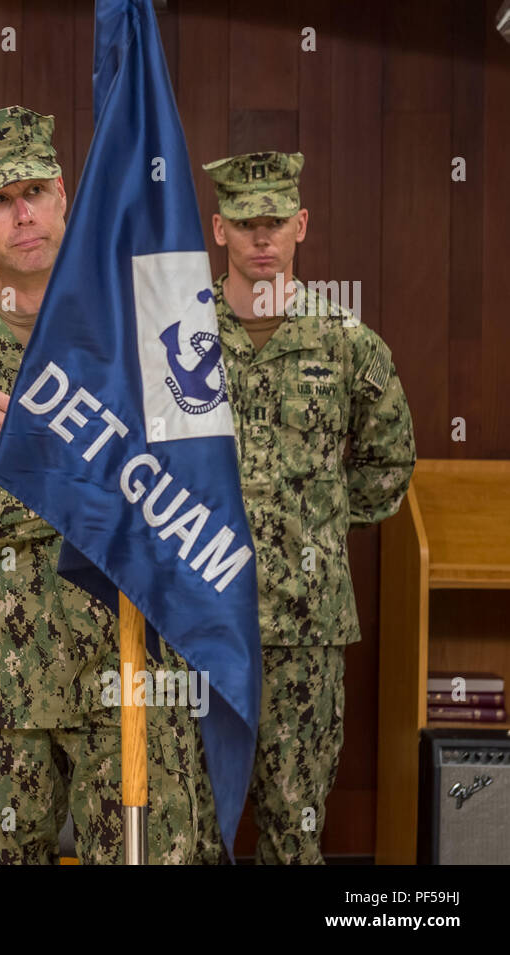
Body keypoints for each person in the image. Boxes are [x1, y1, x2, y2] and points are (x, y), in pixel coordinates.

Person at [0, 106, 201, 864]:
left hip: (132, 667)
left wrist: (28, 456)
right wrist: (86, 467)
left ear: (64, 193)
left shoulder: (150, 327)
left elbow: (193, 484)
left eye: (33, 189)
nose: (21, 213)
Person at [192, 152, 416, 864]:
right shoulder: (178, 339)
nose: (264, 238)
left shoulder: (346, 343)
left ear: (302, 225)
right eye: (248, 222)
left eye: (277, 221)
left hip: (304, 627)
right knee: (193, 830)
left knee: (296, 831)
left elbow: (390, 462)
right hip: (197, 619)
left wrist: (312, 522)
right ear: (219, 227)